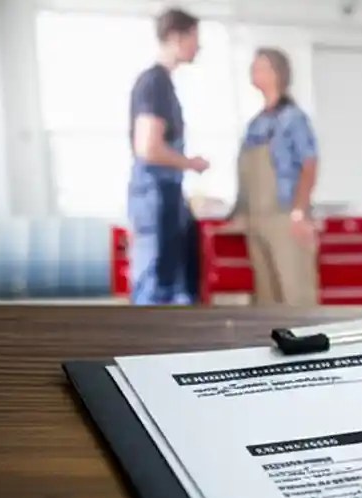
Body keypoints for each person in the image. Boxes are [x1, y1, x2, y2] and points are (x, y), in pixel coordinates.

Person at [222, 48, 320, 305]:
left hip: (284, 218)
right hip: (256, 220)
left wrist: (299, 212)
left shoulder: (293, 118)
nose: (253, 70)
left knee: (296, 297)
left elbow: (309, 164)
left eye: (261, 66)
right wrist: (239, 214)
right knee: (266, 300)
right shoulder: (256, 124)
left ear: (278, 73)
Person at [127, 7, 209, 305]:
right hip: (155, 196)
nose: (198, 46)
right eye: (194, 38)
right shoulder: (154, 83)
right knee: (155, 285)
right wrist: (191, 163)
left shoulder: (164, 84)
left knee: (173, 282)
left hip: (167, 195)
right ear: (175, 37)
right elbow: (148, 147)